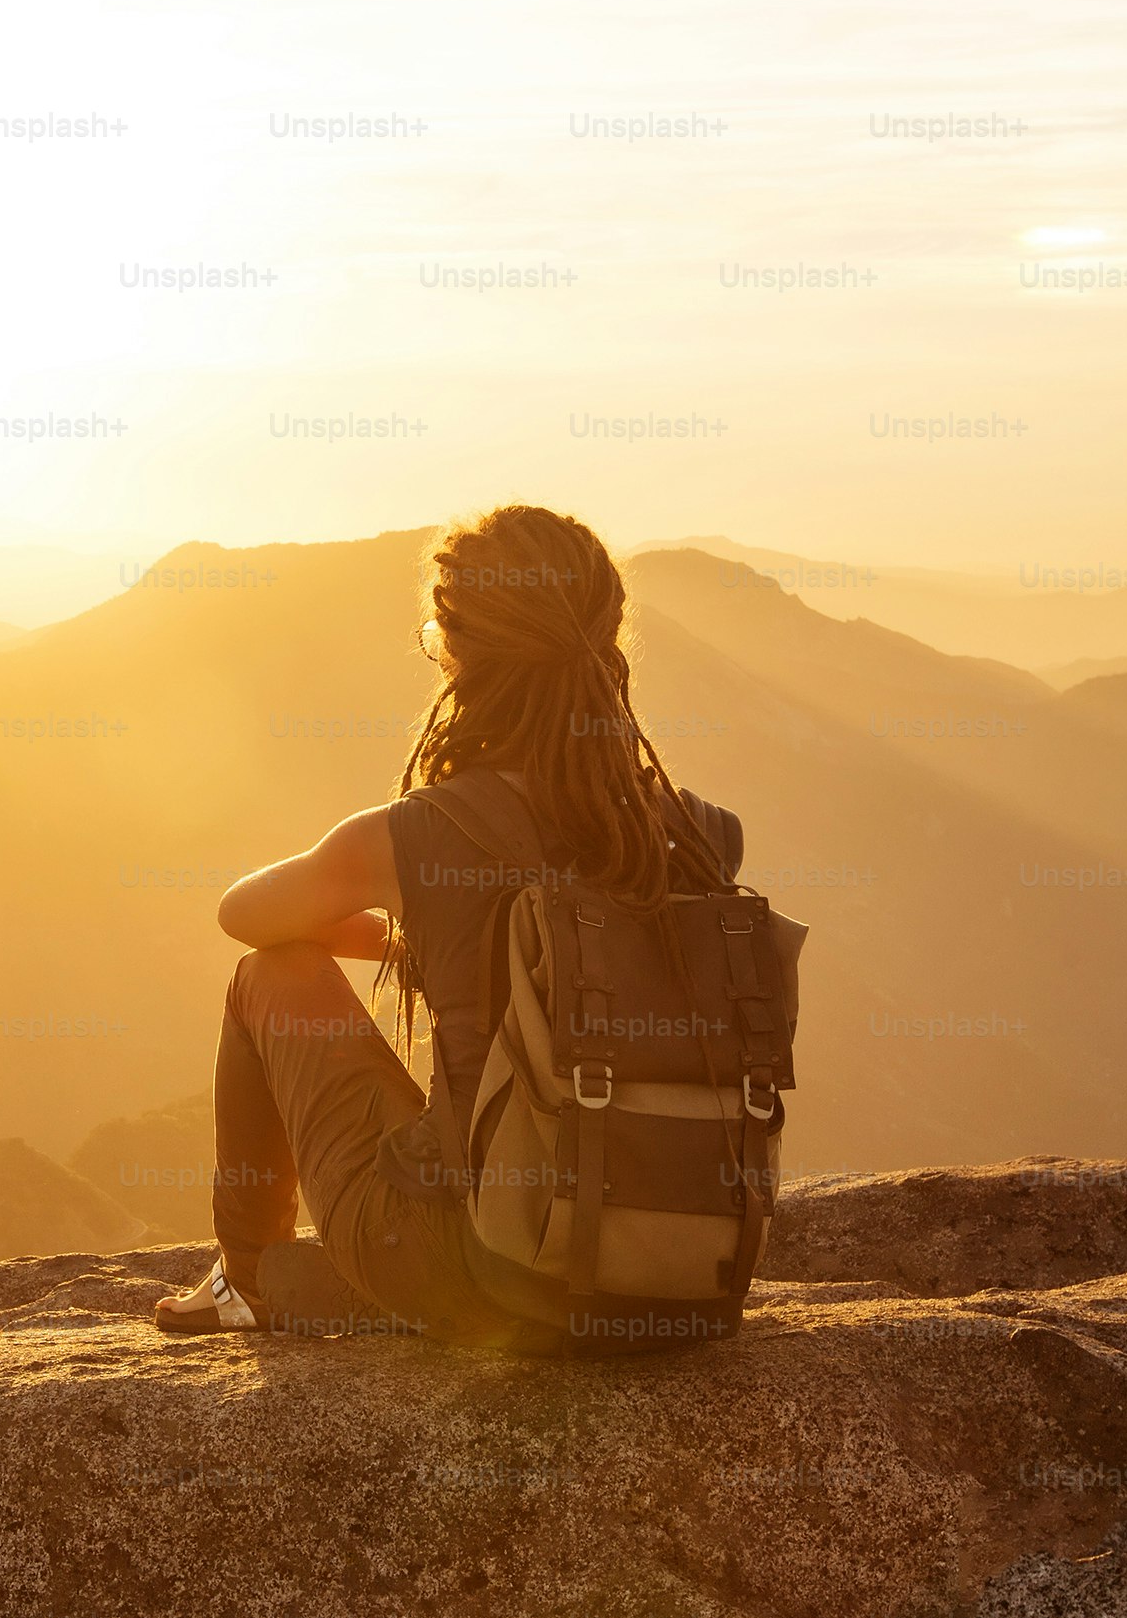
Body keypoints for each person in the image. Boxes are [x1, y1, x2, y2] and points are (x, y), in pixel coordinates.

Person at [154, 504, 745, 1346]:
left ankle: (246, 1277)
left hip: (481, 1265)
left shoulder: (420, 834)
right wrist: (415, 941)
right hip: (674, 1259)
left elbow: (242, 915)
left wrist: (394, 927)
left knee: (273, 976)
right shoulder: (698, 832)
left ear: (459, 650)